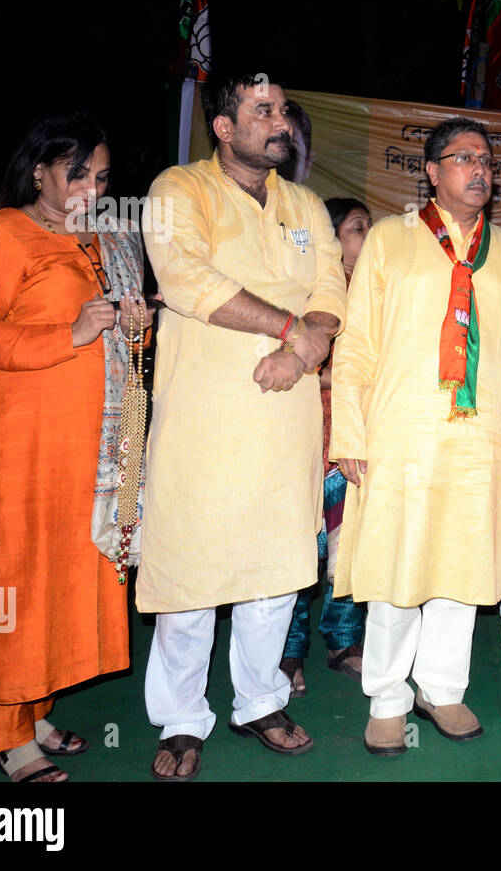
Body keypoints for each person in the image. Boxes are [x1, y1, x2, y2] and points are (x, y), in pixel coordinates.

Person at [139, 71, 347, 780]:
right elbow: (187, 278)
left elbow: (330, 288)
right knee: (193, 567)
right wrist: (293, 331)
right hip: (204, 411)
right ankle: (181, 716)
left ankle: (259, 700)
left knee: (275, 567)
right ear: (224, 127)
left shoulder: (306, 203)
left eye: (283, 108)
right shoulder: (178, 189)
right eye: (262, 110)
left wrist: (303, 347)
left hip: (285, 418)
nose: (279, 120)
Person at [0, 112, 148, 781]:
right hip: (15, 441)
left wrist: (135, 324)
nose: (90, 186)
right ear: (39, 170)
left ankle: (24, 703)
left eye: (102, 176)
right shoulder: (2, 232)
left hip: (89, 447)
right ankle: (7, 733)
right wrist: (70, 334)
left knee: (59, 583)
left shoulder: (104, 238)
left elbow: (119, 345)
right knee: (12, 583)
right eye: (76, 171)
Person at [331, 116, 501, 756]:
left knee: (462, 564)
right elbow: (357, 341)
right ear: (432, 171)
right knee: (397, 563)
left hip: (481, 435)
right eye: (464, 158)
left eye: (487, 161)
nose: (480, 170)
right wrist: (351, 435)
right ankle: (387, 697)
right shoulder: (390, 239)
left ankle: (441, 688)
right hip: (403, 432)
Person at [280, 198, 372, 695]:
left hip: (360, 441)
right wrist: (343, 378)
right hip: (309, 443)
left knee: (351, 548)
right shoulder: (310, 291)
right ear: (332, 238)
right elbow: (296, 364)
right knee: (301, 552)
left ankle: (343, 641)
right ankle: (288, 650)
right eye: (359, 227)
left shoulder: (380, 291)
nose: (370, 233)